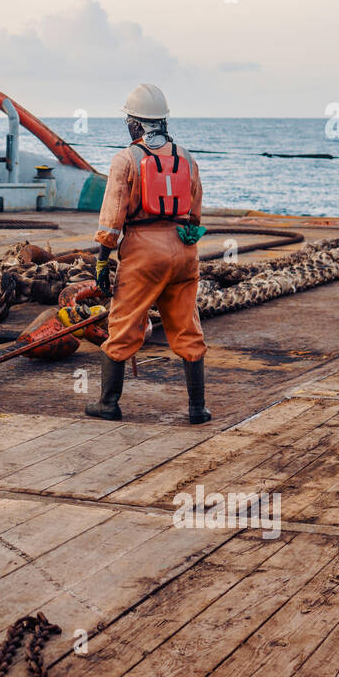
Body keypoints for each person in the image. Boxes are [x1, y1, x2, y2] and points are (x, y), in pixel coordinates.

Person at [86, 83, 210, 423]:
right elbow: (196, 211)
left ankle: (108, 404)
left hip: (143, 250)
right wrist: (186, 242)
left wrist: (102, 259)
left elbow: (112, 217)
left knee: (123, 325)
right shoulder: (186, 157)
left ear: (136, 123)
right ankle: (197, 409)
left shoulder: (126, 159)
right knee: (188, 328)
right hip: (184, 247)